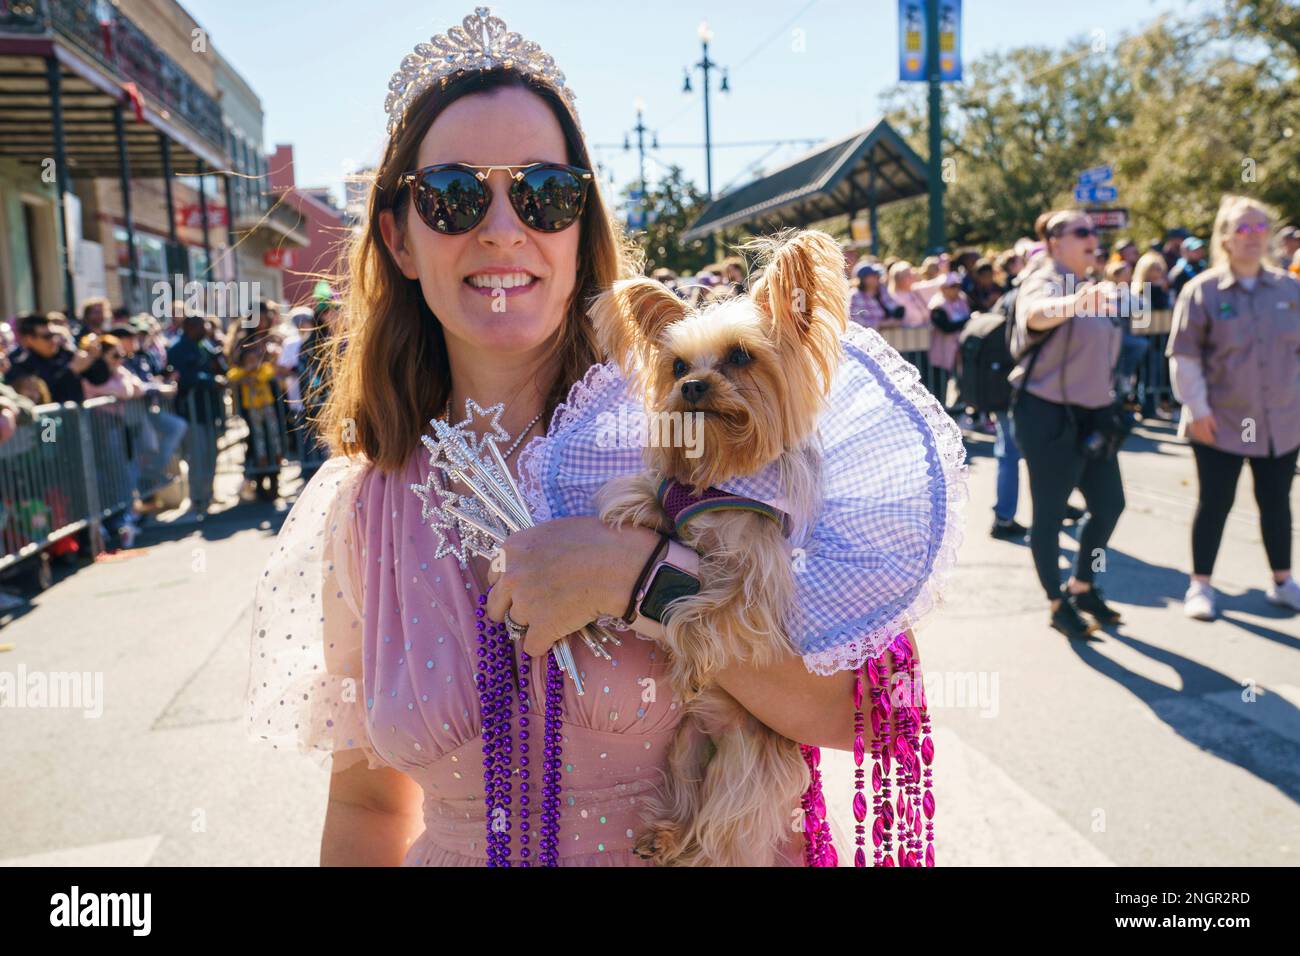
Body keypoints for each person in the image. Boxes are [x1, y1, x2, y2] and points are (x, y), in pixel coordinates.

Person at [245, 13, 883, 868]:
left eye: (546, 193)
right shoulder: (363, 507)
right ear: (398, 236)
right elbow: (366, 806)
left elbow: (868, 711)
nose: (504, 229)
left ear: (582, 228)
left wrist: (640, 579)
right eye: (453, 196)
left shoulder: (703, 447)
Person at [1166, 194, 1300, 619]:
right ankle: (1200, 586)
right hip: (1220, 420)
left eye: (1260, 228)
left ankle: (1283, 581)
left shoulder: (1289, 288)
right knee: (1215, 501)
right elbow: (1184, 358)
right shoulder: (1201, 291)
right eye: (1242, 229)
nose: (1252, 237)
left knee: (1276, 501)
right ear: (1224, 238)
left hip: (1282, 420)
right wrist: (1198, 409)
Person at [1008, 209, 1126, 640]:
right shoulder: (1046, 278)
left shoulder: (1096, 286)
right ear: (1055, 242)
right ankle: (1057, 602)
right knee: (1051, 513)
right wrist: (1073, 303)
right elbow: (1036, 313)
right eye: (1080, 231)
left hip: (1093, 415)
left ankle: (1083, 585)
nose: (1091, 237)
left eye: (1093, 231)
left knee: (1109, 503)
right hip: (1047, 415)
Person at [166, 315, 227, 515]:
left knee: (211, 453)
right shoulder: (177, 348)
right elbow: (185, 377)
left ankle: (208, 494)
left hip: (210, 409)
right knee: (197, 455)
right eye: (202, 325)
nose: (206, 328)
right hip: (192, 411)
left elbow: (219, 367)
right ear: (191, 327)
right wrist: (211, 381)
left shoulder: (205, 345)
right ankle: (197, 497)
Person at [6, 313, 95, 404]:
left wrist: (94, 357)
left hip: (78, 415)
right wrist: (71, 371)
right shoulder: (21, 366)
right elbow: (45, 394)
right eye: (46, 337)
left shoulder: (65, 354)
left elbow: (98, 379)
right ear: (30, 339)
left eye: (53, 335)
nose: (53, 340)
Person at [849, 261, 904, 329]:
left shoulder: (883, 290)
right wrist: (882, 324)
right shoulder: (855, 296)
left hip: (888, 336)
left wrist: (896, 317)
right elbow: (856, 321)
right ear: (863, 278)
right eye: (873, 275)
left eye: (877, 275)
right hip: (866, 337)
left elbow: (893, 307)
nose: (877, 277)